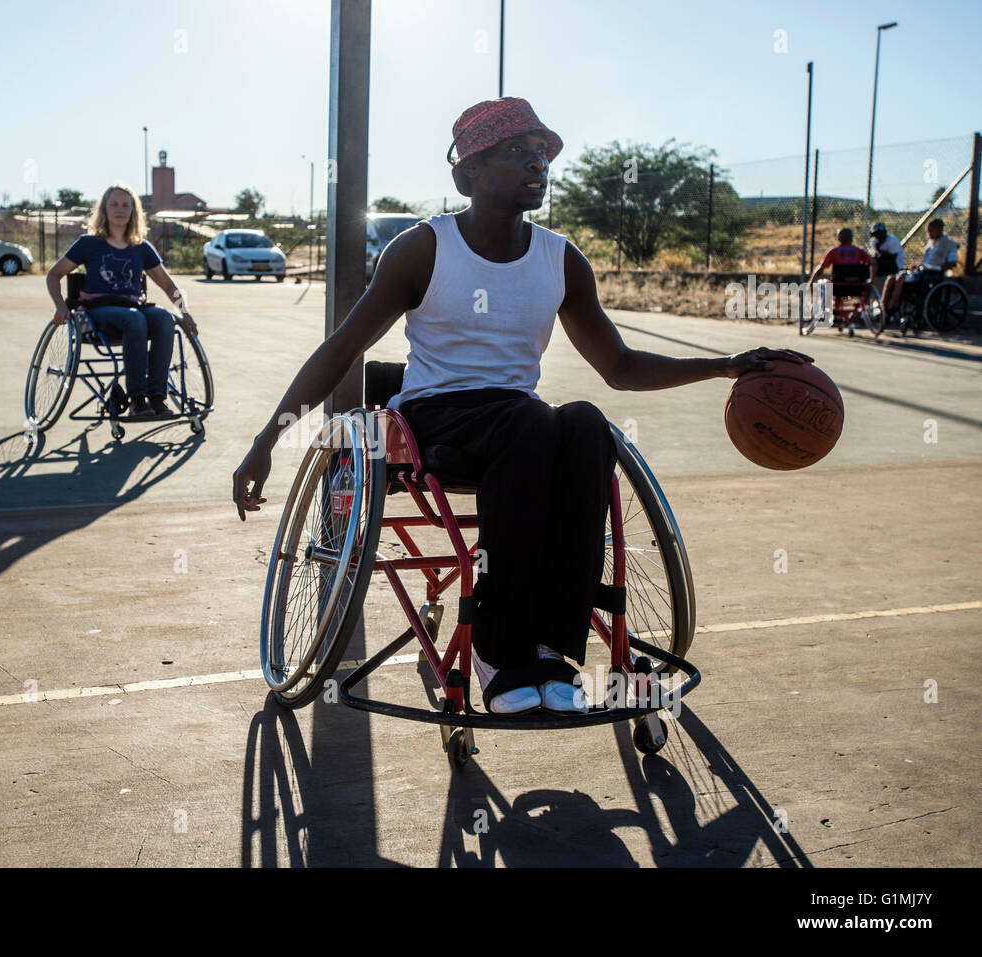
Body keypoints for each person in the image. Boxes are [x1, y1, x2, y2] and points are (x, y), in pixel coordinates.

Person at [231, 97, 810, 714]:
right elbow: (342, 347)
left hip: (517, 424)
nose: (537, 164)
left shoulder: (560, 259)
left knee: (587, 423)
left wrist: (725, 366)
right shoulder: (424, 248)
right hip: (434, 419)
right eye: (517, 152)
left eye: (542, 154)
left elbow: (618, 367)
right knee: (532, 420)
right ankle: (498, 648)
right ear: (467, 173)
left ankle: (552, 649)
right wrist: (268, 440)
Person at [46, 183, 198, 419]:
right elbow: (54, 274)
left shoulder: (141, 248)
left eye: (126, 205)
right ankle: (137, 399)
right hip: (99, 312)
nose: (120, 209)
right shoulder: (88, 243)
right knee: (135, 319)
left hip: (133, 308)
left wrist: (184, 312)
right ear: (104, 209)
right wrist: (60, 306)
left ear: (134, 211)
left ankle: (158, 397)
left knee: (164, 319)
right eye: (114, 204)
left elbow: (168, 285)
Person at [884, 218, 959, 325]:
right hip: (921, 272)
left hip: (932, 275)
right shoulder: (930, 243)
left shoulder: (949, 244)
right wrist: (917, 266)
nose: (929, 234)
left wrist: (934, 267)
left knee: (900, 279)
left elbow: (952, 263)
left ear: (939, 229)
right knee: (891, 278)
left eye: (931, 231)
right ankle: (883, 308)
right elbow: (925, 261)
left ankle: (890, 311)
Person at [807, 227, 871, 336]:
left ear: (838, 238)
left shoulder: (834, 251)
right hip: (857, 287)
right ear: (851, 238)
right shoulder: (859, 251)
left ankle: (831, 313)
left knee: (826, 284)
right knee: (838, 285)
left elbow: (821, 269)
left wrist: (811, 282)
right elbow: (873, 262)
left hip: (838, 288)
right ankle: (838, 315)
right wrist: (871, 280)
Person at [868, 222, 905, 301]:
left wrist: (879, 250)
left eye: (880, 234)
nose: (878, 237)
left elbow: (892, 257)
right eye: (876, 234)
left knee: (876, 263)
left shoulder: (892, 240)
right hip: (882, 263)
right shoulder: (873, 241)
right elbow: (876, 255)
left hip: (895, 264)